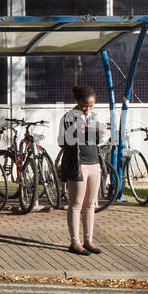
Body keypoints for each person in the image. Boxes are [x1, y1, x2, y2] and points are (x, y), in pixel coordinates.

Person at [56, 85, 110, 255]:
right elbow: (61, 141)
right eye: (85, 105)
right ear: (77, 102)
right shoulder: (68, 117)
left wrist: (102, 134)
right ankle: (75, 242)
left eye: (91, 106)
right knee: (76, 203)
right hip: (77, 164)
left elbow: (102, 138)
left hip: (94, 162)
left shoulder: (94, 117)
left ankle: (88, 240)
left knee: (90, 204)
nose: (88, 109)